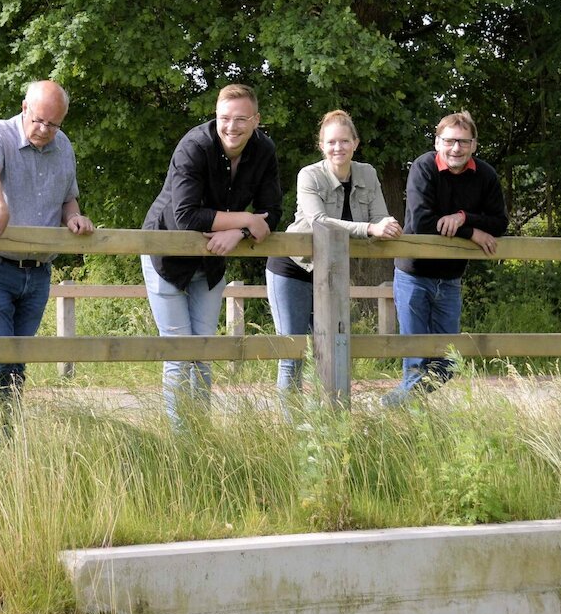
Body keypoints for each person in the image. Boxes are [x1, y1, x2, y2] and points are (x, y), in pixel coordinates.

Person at [142, 83, 281, 427]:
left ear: (256, 120)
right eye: (224, 118)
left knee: (204, 351)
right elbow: (187, 215)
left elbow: (272, 212)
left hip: (212, 255)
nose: (231, 127)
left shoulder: (264, 151)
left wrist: (240, 231)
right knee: (179, 351)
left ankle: (200, 431)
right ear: (215, 117)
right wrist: (247, 218)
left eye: (240, 119)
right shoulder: (194, 146)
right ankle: (179, 439)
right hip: (166, 251)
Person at [0, 80, 95, 433]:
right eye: (38, 120)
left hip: (38, 271)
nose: (44, 130)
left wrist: (74, 217)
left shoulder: (63, 145)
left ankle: (8, 440)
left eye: (53, 124)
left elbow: (68, 198)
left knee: (18, 363)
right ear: (25, 107)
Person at [266, 110, 401, 414]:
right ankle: (291, 426)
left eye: (344, 141)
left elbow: (379, 215)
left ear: (356, 143)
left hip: (331, 272)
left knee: (333, 348)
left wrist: (387, 224)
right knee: (293, 351)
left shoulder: (368, 174)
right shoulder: (309, 175)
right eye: (331, 142)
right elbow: (319, 222)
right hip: (293, 267)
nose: (337, 147)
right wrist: (369, 229)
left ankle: (330, 419)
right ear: (321, 145)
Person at [383, 110, 507, 407]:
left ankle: (394, 404)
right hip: (414, 274)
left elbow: (499, 222)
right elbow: (424, 222)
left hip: (451, 279)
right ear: (438, 142)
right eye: (450, 141)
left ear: (474, 145)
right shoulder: (423, 168)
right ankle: (412, 424)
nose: (456, 148)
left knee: (448, 361)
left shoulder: (485, 175)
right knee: (416, 356)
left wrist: (462, 218)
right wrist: (472, 232)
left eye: (463, 142)